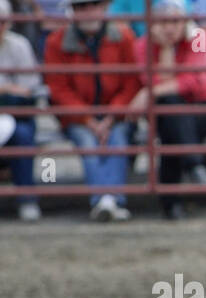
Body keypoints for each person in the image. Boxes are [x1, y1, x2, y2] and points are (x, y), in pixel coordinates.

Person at [44, 0, 143, 221]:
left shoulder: (124, 37)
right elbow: (58, 89)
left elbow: (131, 82)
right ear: (73, 11)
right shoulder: (56, 41)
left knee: (117, 138)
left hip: (115, 114)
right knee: (88, 141)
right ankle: (107, 200)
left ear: (104, 7)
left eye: (93, 5)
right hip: (78, 118)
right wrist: (88, 119)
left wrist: (110, 117)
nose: (88, 12)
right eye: (81, 7)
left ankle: (105, 200)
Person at [132, 0, 206, 218]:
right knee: (172, 109)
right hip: (171, 110)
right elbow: (152, 79)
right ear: (153, 24)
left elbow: (196, 79)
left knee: (172, 125)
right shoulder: (143, 45)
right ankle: (194, 165)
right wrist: (165, 48)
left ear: (185, 20)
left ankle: (170, 203)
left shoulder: (199, 37)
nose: (169, 27)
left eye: (175, 20)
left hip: (203, 108)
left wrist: (151, 92)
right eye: (163, 21)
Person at [0, 0, 41, 220]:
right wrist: (7, 88)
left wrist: (8, 92)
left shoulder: (19, 45)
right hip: (8, 109)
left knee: (24, 134)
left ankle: (27, 200)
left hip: (14, 115)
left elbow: (28, 89)